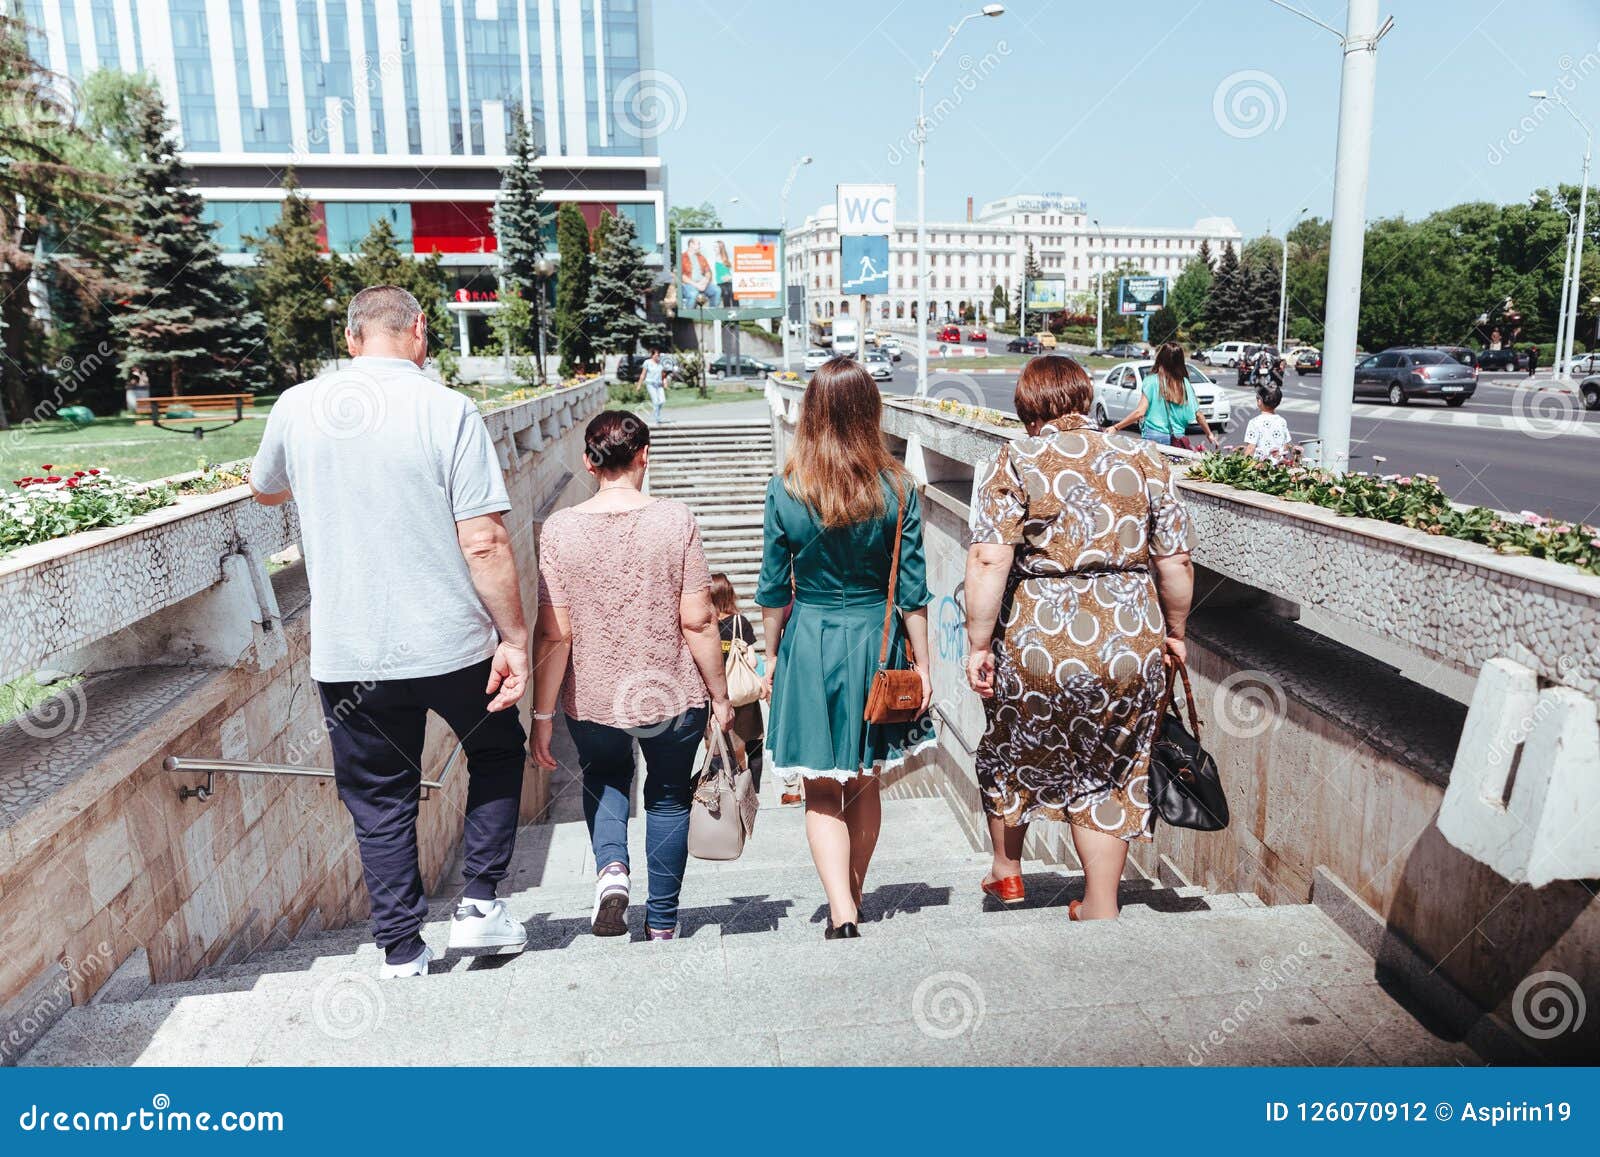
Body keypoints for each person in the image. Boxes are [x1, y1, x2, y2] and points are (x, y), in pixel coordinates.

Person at [251, 285, 530, 980]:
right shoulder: (448, 409)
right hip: (450, 639)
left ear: (351, 340)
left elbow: (265, 488)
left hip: (352, 651)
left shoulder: (297, 405)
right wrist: (516, 638)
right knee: (496, 748)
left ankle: (401, 948)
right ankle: (480, 903)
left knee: (379, 795)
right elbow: (486, 541)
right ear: (419, 332)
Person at [964, 355, 1196, 920]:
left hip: (1039, 644)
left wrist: (978, 644)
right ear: (1084, 398)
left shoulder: (1015, 457)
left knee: (1010, 749)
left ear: (1028, 411)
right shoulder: (1143, 456)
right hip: (1128, 641)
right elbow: (1176, 561)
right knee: (1110, 768)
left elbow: (990, 558)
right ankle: (1100, 903)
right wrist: (1177, 633)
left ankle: (1007, 874)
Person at [531, 411, 733, 941]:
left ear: (588, 463)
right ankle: (662, 922)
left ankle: (612, 873)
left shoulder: (560, 530)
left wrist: (541, 715)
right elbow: (698, 618)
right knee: (667, 797)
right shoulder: (676, 519)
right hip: (672, 695)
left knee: (603, 778)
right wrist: (721, 695)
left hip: (593, 699)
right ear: (644, 456)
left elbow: (554, 634)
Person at [755, 357, 935, 940]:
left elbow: (773, 588)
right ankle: (849, 895)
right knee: (863, 780)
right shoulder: (899, 490)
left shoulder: (786, 489)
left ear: (811, 414)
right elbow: (912, 591)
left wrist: (772, 654)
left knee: (819, 785)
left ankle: (842, 908)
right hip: (875, 644)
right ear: (869, 412)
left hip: (809, 639)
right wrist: (924, 666)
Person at [708, 573, 786, 801]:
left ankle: (728, 788)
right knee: (753, 741)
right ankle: (754, 790)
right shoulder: (740, 622)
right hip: (744, 695)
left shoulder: (707, 626)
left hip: (719, 695)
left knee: (720, 744)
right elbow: (752, 661)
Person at [1109, 341, 1217, 448]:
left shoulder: (1151, 381)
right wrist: (1209, 434)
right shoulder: (1184, 383)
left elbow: (1140, 412)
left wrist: (1116, 427)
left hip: (1154, 436)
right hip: (1177, 438)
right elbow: (1198, 414)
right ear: (1180, 361)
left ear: (1160, 358)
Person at [1243, 383, 1292, 462]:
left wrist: (1243, 467)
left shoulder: (1254, 422)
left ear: (1260, 401)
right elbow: (1286, 445)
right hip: (1279, 465)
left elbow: (1251, 448)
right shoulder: (1282, 421)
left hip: (1261, 466)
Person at [638, 348, 668, 424]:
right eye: (656, 354)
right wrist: (639, 385)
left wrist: (665, 383)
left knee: (662, 400)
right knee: (655, 401)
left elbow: (664, 375)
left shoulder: (661, 363)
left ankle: (657, 413)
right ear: (652, 355)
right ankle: (657, 418)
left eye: (658, 355)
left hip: (659, 385)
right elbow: (643, 374)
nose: (658, 356)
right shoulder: (647, 362)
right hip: (650, 384)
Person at [714, 240, 735, 308]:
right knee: (726, 293)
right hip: (719, 283)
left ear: (721, 248)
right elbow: (712, 274)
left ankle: (736, 316)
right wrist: (721, 279)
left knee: (733, 292)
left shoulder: (728, 259)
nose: (714, 248)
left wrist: (730, 277)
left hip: (729, 282)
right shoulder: (713, 259)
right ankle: (727, 315)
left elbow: (733, 272)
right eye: (714, 247)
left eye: (716, 247)